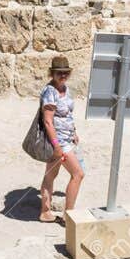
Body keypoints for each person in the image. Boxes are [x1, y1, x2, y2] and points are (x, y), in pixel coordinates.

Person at [38, 54, 84, 223]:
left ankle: (45, 212)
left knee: (51, 174)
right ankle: (68, 216)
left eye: (66, 72)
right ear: (52, 73)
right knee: (78, 174)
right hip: (59, 142)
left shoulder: (65, 88)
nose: (63, 75)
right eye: (59, 72)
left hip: (66, 138)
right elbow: (48, 122)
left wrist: (74, 132)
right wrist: (56, 146)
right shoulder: (50, 92)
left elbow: (67, 115)